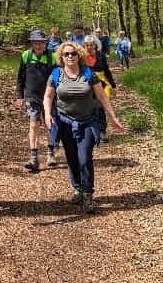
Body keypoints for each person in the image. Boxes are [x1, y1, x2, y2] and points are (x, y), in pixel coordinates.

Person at [43, 41, 127, 213]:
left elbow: (102, 97)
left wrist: (113, 117)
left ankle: (88, 194)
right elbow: (48, 96)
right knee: (71, 157)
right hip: (64, 122)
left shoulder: (88, 73)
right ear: (61, 57)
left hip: (87, 122)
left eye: (73, 53)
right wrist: (47, 114)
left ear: (79, 55)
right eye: (66, 54)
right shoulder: (56, 74)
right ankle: (77, 188)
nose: (70, 57)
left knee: (85, 158)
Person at [15, 30, 58, 170]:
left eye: (40, 42)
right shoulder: (26, 55)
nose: (38, 45)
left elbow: (59, 77)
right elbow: (20, 77)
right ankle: (34, 157)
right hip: (31, 96)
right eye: (35, 43)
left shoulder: (53, 57)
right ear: (31, 43)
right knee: (34, 124)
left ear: (45, 43)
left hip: (50, 97)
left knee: (50, 124)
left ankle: (51, 153)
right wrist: (19, 95)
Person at [82, 35, 117, 142]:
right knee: (89, 108)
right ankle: (90, 130)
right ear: (84, 46)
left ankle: (102, 131)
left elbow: (106, 70)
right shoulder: (81, 56)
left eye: (91, 45)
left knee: (100, 107)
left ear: (95, 45)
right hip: (86, 84)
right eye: (87, 45)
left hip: (101, 84)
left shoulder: (101, 56)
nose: (89, 47)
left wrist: (113, 84)